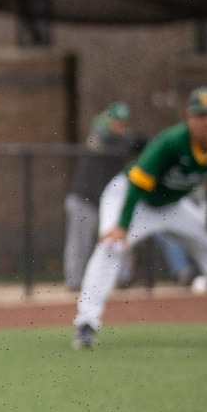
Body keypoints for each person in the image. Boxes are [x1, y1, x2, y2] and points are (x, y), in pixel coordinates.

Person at [71, 86, 207, 349]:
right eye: (200, 115)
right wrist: (123, 226)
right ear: (189, 118)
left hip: (172, 204)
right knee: (111, 245)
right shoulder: (171, 141)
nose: (206, 121)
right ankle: (86, 324)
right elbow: (138, 183)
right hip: (131, 197)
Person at [64, 104, 136, 290]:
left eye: (122, 123)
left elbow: (137, 143)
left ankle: (123, 277)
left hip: (104, 201)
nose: (119, 126)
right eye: (115, 122)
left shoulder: (121, 140)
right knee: (80, 241)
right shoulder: (100, 137)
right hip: (84, 199)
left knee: (117, 235)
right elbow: (116, 143)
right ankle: (74, 282)